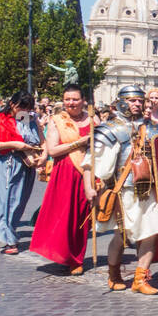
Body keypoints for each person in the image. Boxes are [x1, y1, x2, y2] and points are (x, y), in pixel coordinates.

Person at [85, 85, 158, 291]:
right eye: (132, 100)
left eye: (140, 100)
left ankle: (139, 279)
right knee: (122, 236)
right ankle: (113, 273)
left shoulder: (155, 129)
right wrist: (90, 186)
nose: (137, 104)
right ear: (120, 101)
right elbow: (93, 163)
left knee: (151, 233)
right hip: (123, 190)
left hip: (149, 190)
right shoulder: (110, 129)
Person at [29, 84, 94, 273]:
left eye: (75, 99)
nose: (71, 103)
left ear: (83, 101)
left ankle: (77, 257)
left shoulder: (92, 119)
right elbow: (53, 150)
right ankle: (67, 256)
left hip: (88, 171)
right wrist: (79, 143)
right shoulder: (57, 120)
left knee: (83, 216)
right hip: (65, 171)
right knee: (65, 215)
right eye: (67, 99)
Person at [0, 91, 44, 253]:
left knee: (18, 202)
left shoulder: (24, 118)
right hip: (3, 165)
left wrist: (40, 155)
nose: (24, 111)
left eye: (27, 108)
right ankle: (10, 240)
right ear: (12, 104)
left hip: (24, 165)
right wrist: (13, 145)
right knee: (5, 201)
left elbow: (35, 139)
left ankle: (9, 236)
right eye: (21, 107)